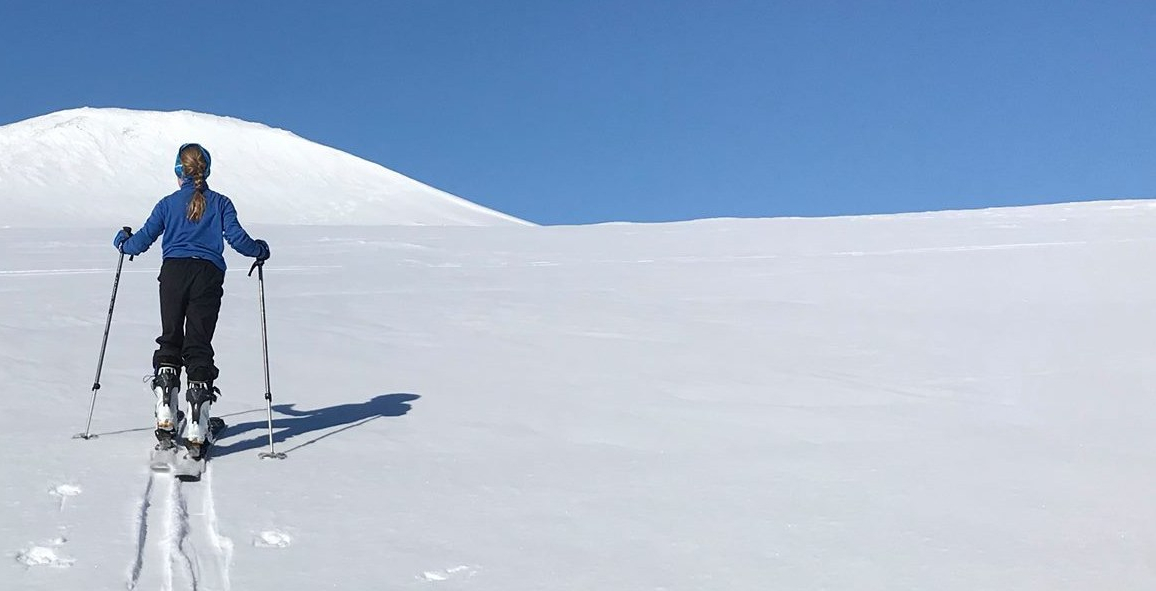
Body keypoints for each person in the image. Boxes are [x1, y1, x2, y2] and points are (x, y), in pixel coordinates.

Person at [113, 143, 269, 456]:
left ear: (178, 172)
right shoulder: (221, 203)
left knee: (171, 338)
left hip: (172, 273)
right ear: (206, 171)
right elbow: (237, 239)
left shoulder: (167, 204)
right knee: (197, 343)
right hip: (208, 275)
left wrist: (123, 242)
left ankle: (166, 412)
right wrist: (259, 250)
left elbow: (142, 240)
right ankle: (198, 425)